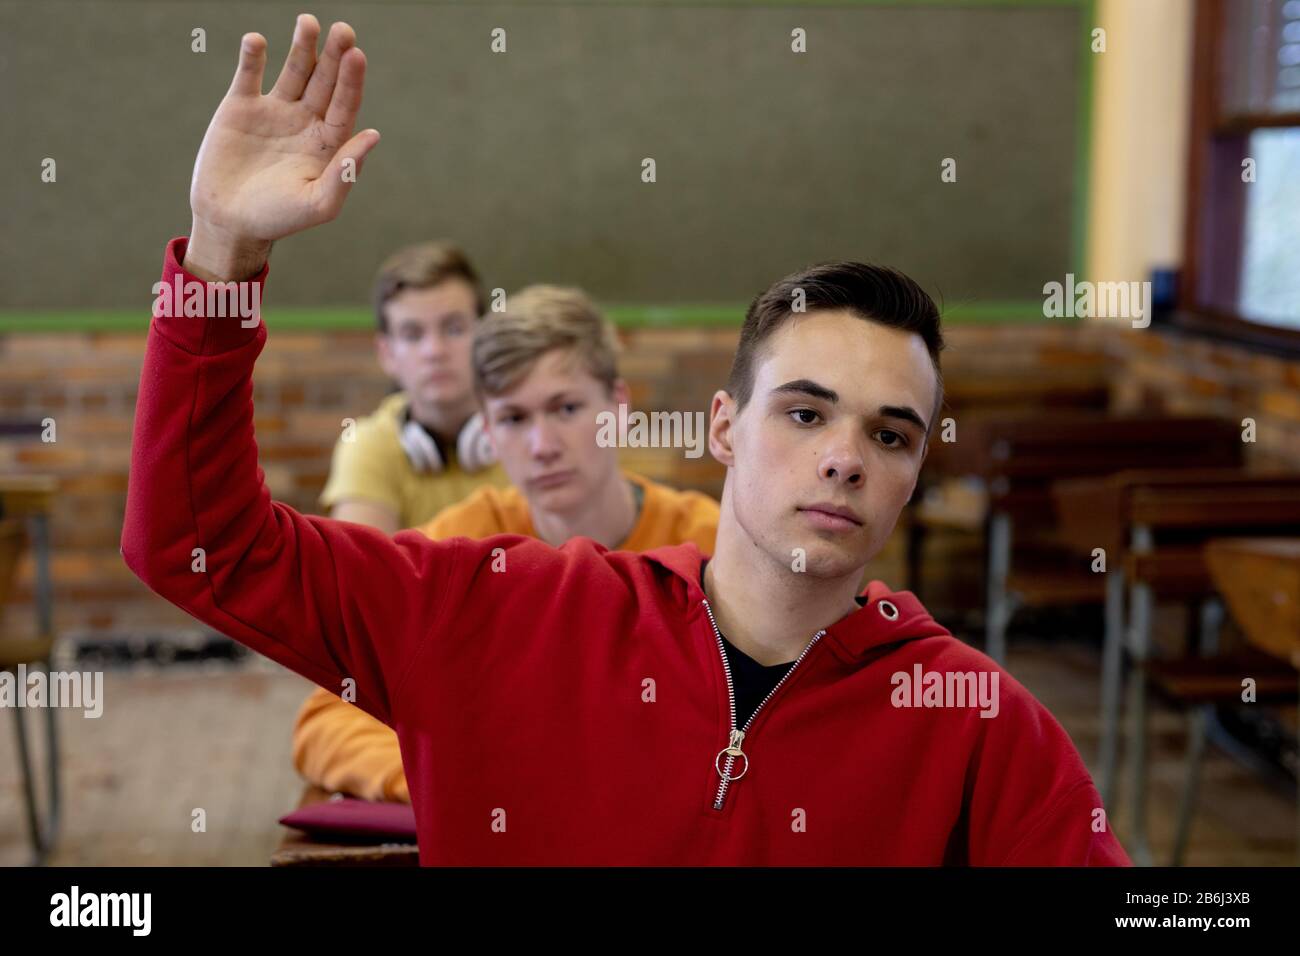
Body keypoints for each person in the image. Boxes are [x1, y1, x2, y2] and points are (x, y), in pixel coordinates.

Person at [122, 15, 1129, 864]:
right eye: (806, 411)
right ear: (726, 426)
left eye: (892, 433)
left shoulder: (972, 717)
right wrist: (223, 251)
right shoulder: (504, 611)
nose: (843, 456)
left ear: (912, 473)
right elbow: (194, 542)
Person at [293, 284, 719, 802]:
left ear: (618, 407)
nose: (542, 447)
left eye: (565, 409)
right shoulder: (457, 548)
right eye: (515, 419)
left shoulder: (710, 544)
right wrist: (454, 781)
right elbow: (330, 715)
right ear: (488, 434)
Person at [319, 240, 509, 534]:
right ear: (387, 354)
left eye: (454, 328)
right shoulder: (367, 444)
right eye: (412, 334)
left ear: (485, 338)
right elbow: (362, 574)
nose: (435, 350)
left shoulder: (533, 431)